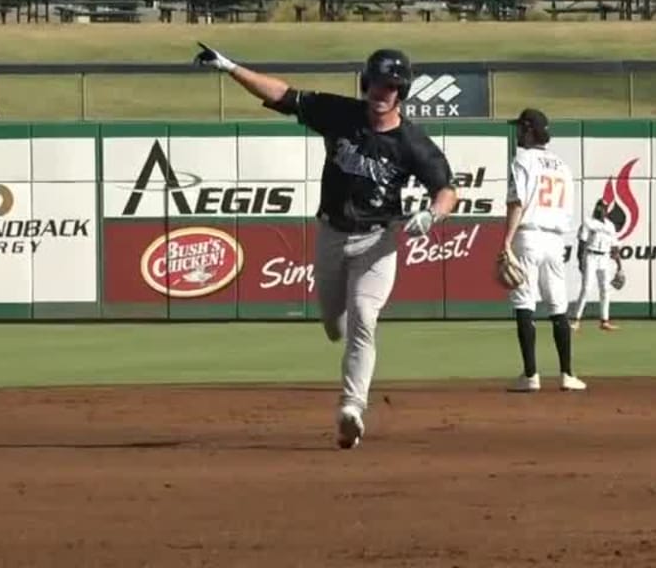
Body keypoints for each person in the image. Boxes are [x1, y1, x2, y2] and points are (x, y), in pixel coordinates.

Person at [194, 43, 458, 449]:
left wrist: (432, 214)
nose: (380, 92)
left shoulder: (412, 143)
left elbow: (446, 189)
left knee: (364, 318)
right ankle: (342, 346)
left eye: (390, 86)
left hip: (377, 242)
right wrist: (230, 67)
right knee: (334, 324)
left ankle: (352, 408)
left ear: (401, 92)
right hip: (333, 235)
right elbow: (283, 95)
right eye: (374, 83)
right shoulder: (341, 114)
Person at [502, 107, 588, 393]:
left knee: (524, 304)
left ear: (528, 130)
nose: (517, 133)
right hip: (555, 239)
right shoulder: (563, 165)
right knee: (558, 306)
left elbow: (517, 202)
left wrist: (506, 241)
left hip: (529, 234)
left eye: (519, 128)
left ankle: (531, 375)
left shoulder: (523, 159)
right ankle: (567, 374)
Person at [570, 197, 622, 332]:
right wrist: (580, 261)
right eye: (599, 207)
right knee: (586, 288)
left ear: (606, 210)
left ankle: (604, 321)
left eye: (603, 208)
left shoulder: (610, 226)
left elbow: (615, 247)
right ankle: (576, 320)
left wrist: (619, 267)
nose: (601, 210)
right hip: (590, 256)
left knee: (605, 289)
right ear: (596, 208)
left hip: (604, 257)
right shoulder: (588, 222)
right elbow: (581, 243)